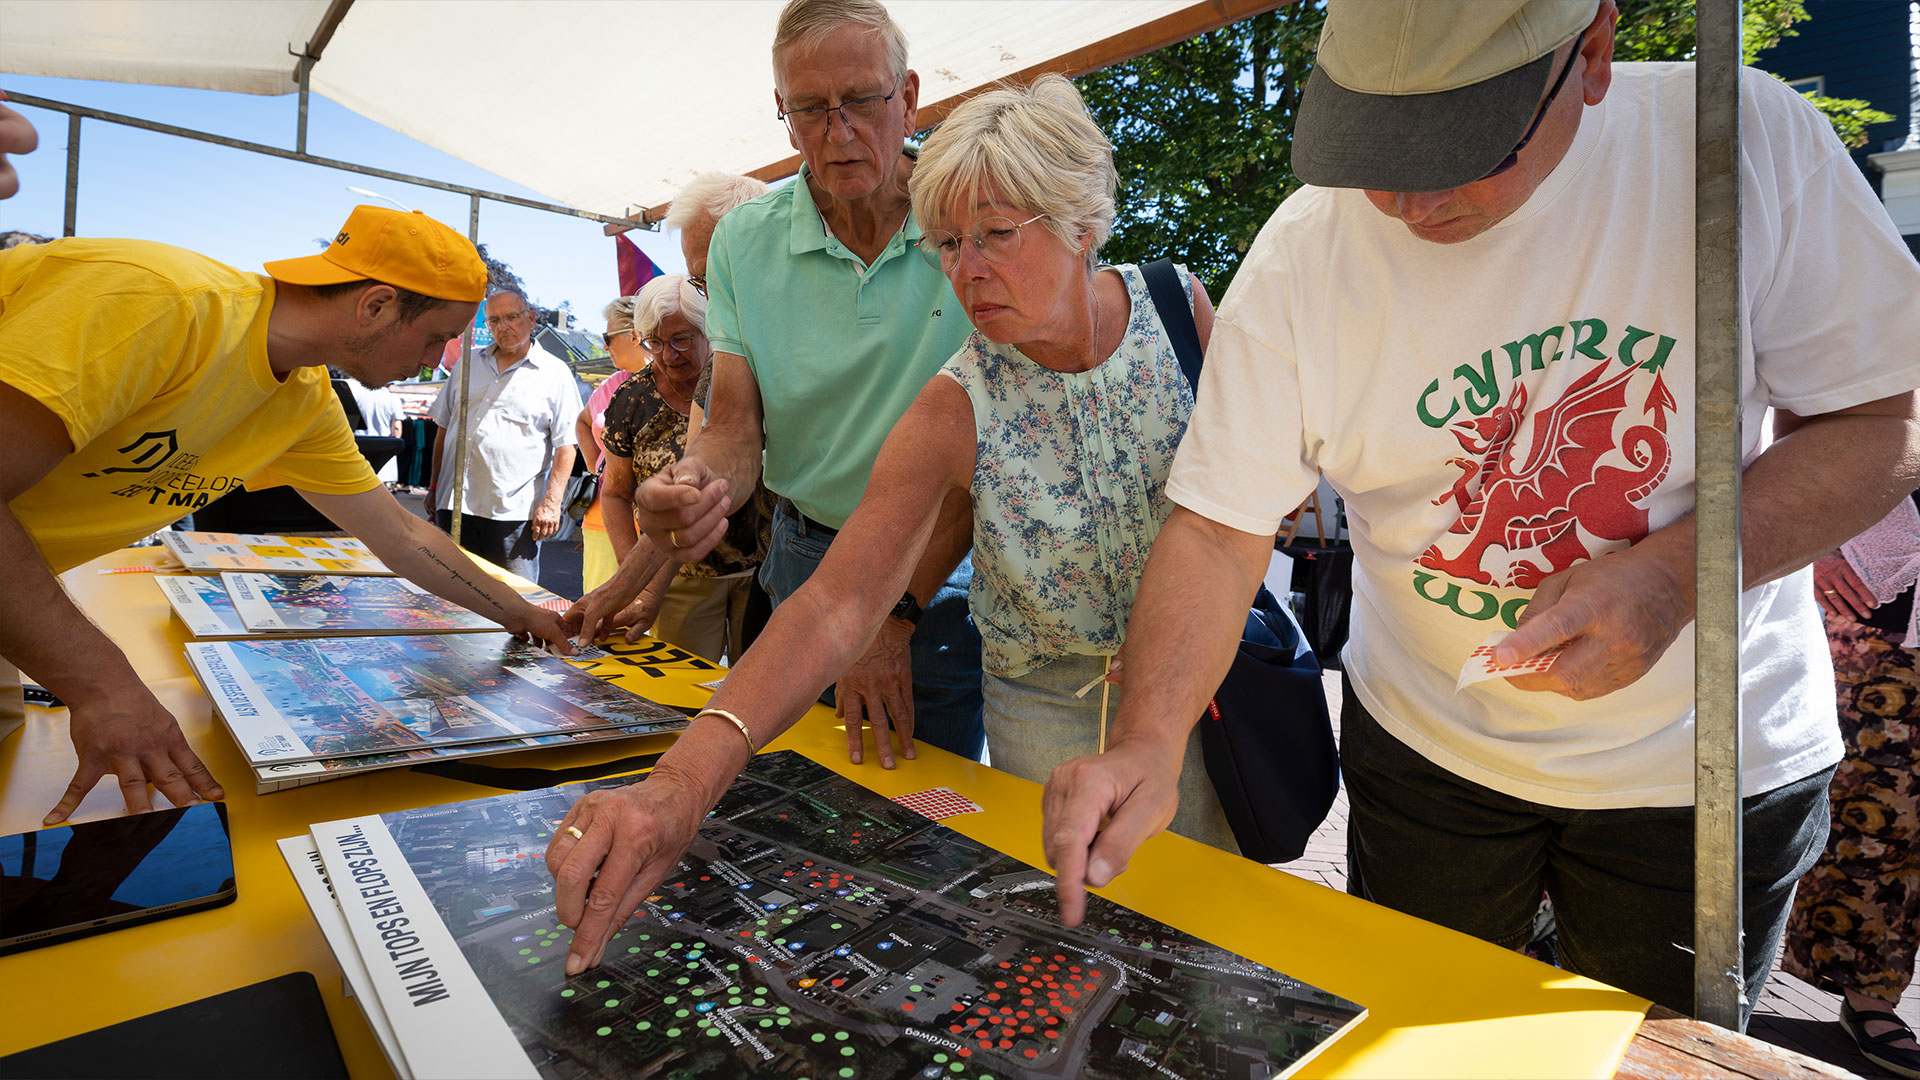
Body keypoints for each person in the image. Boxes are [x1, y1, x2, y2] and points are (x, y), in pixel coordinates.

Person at [1042, 0, 1920, 1024]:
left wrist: (1675, 576)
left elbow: (1882, 424)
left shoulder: (1741, 142)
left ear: (1591, 51)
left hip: (1703, 762)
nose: (1412, 202)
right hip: (1427, 752)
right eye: (1375, 148)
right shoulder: (1301, 256)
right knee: (1415, 1034)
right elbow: (1217, 524)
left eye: (1468, 149)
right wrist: (1148, 738)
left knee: (1646, 1051)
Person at [543, 75, 1235, 976]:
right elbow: (836, 600)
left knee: (1214, 937)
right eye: (947, 241)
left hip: (1204, 695)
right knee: (1089, 948)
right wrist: (678, 786)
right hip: (1044, 714)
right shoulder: (958, 398)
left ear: (1079, 221)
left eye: (994, 236)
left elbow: (1242, 514)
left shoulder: (1179, 309)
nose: (965, 270)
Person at [0, 205, 573, 826]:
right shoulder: (160, 302)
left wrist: (524, 615)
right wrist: (102, 682)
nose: (440, 359)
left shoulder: (301, 398)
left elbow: (402, 531)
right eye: (437, 336)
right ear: (376, 305)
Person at [624, 0, 986, 764]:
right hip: (807, 555)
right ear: (782, 116)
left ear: (910, 97)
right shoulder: (745, 243)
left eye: (862, 100)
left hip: (944, 566)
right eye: (810, 109)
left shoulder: (970, 218)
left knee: (931, 817)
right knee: (799, 801)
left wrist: (889, 616)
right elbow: (733, 433)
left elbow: (988, 447)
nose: (838, 129)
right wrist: (693, 486)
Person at [1784, 486, 1920, 1078]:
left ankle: (1871, 992)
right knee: (1864, 815)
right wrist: (1797, 548)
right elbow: (1780, 437)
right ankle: (1866, 993)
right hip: (1872, 621)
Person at [592, 276, 767, 663]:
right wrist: (635, 581)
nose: (668, 354)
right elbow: (616, 493)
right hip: (677, 580)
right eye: (654, 342)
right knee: (682, 693)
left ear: (709, 330)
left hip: (758, 574)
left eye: (682, 339)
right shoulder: (632, 398)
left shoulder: (745, 382)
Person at [426, 287, 582, 582]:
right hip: (455, 502)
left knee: (513, 598)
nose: (503, 326)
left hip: (512, 512)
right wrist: (434, 486)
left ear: (531, 318)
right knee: (451, 592)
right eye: (494, 320)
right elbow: (444, 427)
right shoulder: (468, 363)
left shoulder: (555, 373)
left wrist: (551, 504)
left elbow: (566, 445)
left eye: (511, 317)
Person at [574, 295, 650, 592]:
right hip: (603, 520)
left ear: (634, 334)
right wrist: (597, 465)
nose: (604, 346)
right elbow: (582, 422)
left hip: (653, 522)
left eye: (608, 337)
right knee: (601, 611)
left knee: (649, 621)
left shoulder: (672, 380)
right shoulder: (610, 385)